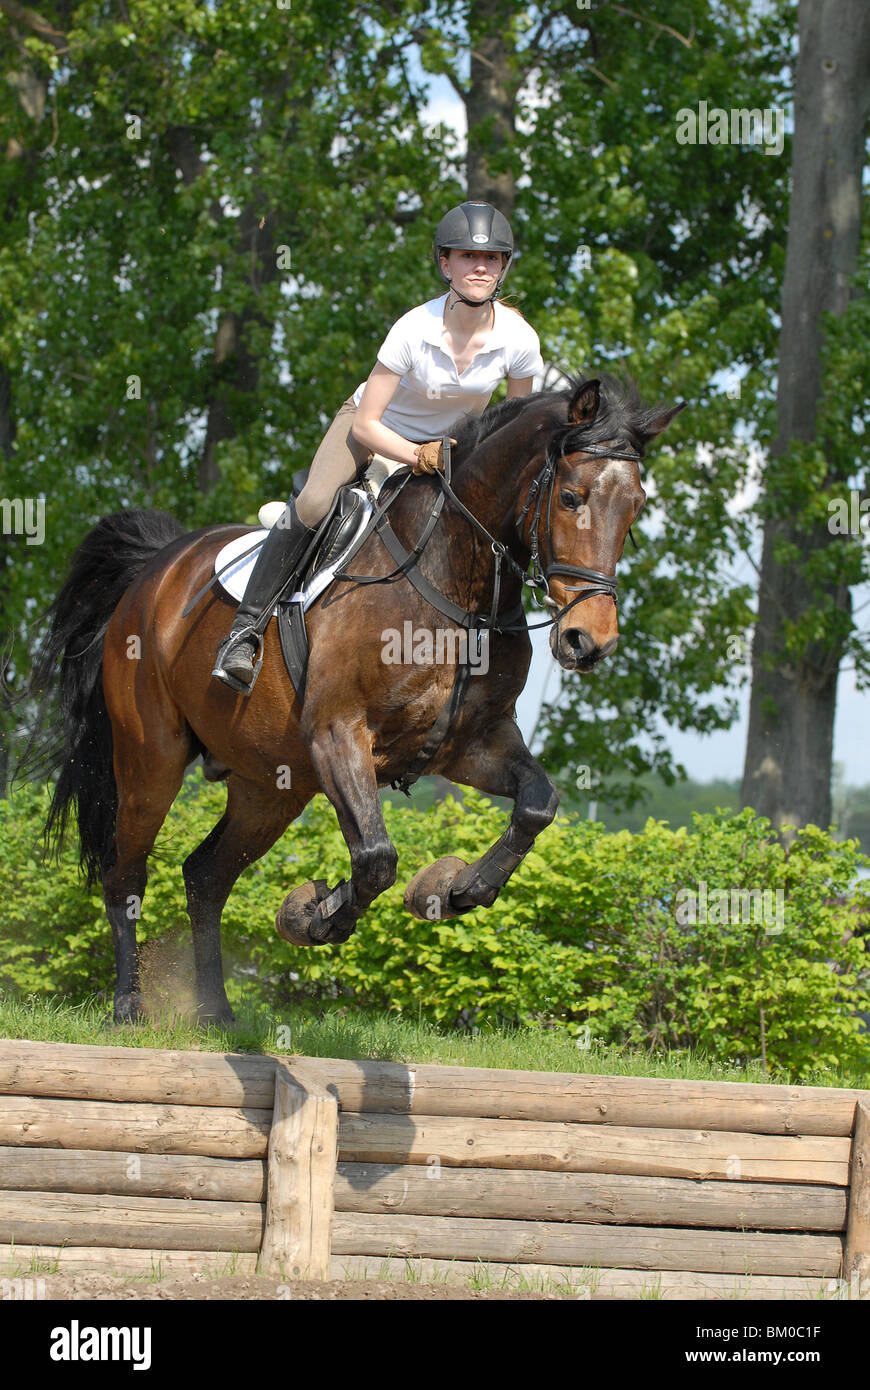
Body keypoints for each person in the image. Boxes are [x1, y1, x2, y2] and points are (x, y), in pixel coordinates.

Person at [212, 200, 544, 691]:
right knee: (316, 502)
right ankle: (244, 634)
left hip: (450, 448)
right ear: (444, 263)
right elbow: (367, 423)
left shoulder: (519, 340)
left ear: (504, 267)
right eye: (467, 257)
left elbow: (514, 430)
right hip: (373, 431)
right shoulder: (414, 329)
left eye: (492, 259)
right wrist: (416, 456)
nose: (480, 267)